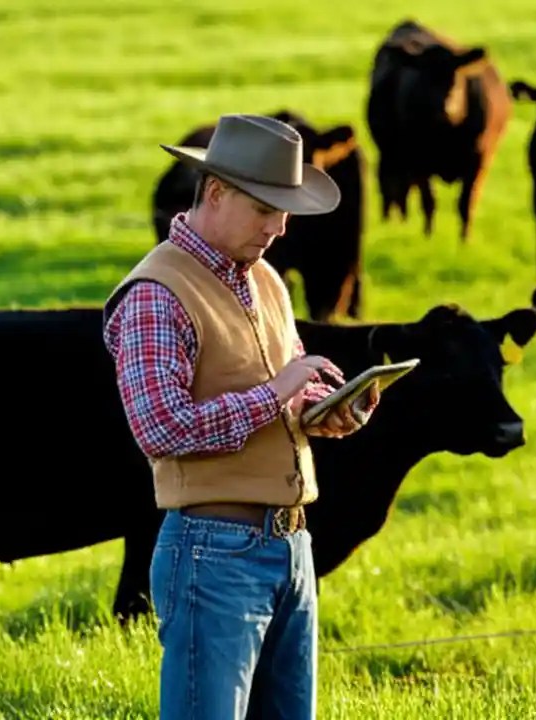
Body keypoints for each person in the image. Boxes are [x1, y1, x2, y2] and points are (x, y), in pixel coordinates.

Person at [101, 114, 380, 720]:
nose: (280, 228)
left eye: (286, 211)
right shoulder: (157, 292)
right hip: (211, 551)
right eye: (265, 209)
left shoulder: (268, 282)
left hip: (292, 546)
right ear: (217, 192)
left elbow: (283, 390)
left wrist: (320, 413)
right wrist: (279, 391)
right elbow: (161, 428)